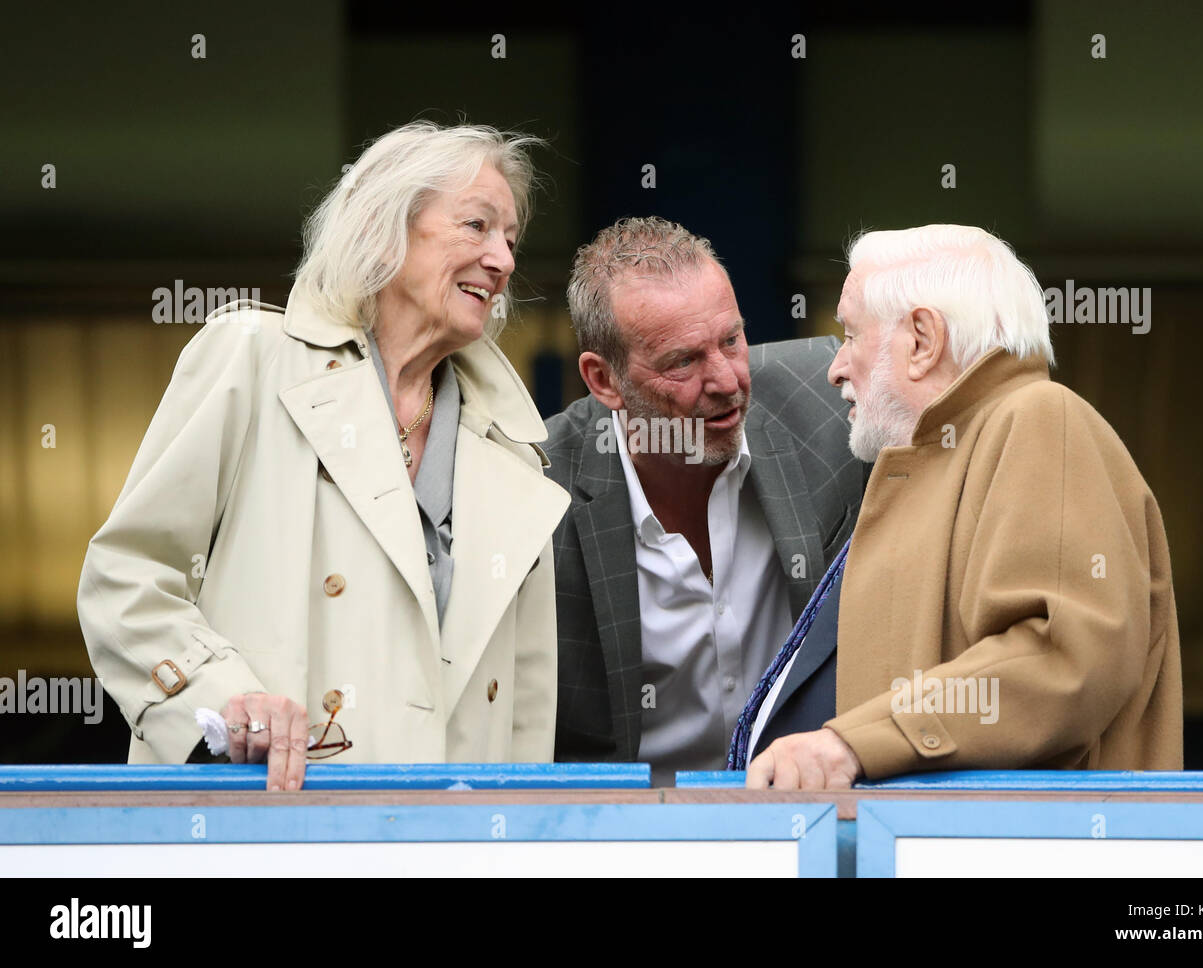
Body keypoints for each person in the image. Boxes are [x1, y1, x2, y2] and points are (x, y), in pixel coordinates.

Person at [78, 122, 570, 791]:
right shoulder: (252, 358)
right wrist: (221, 702)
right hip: (265, 824)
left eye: (510, 240)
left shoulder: (517, 454)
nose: (504, 260)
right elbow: (127, 576)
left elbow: (525, 718)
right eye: (477, 226)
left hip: (450, 847)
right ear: (381, 225)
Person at [733, 224, 1183, 790]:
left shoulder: (1040, 417)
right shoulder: (950, 452)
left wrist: (855, 744)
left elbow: (1064, 658)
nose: (835, 368)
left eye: (850, 335)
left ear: (922, 339)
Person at [544, 217, 866, 781]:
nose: (727, 380)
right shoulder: (539, 491)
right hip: (628, 837)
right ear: (603, 380)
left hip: (804, 817)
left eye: (731, 340)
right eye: (683, 362)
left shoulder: (833, 402)